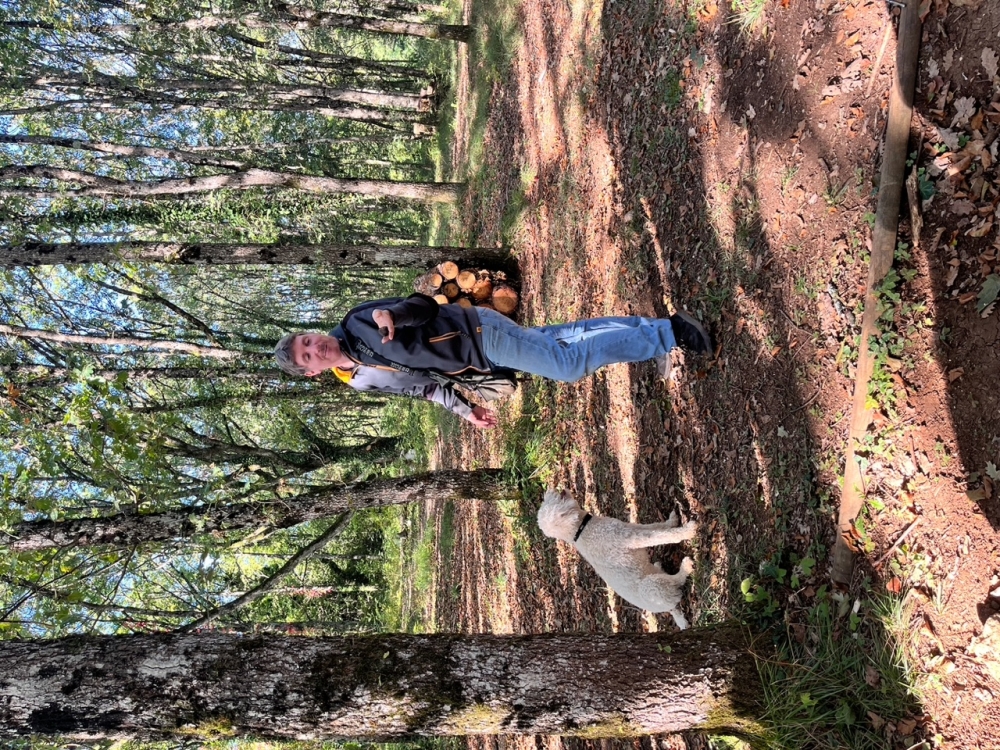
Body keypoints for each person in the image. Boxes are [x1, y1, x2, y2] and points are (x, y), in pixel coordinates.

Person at [274, 293, 712, 429]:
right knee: (560, 340)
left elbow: (423, 305)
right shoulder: (357, 379)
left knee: (566, 366)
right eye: (307, 356)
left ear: (312, 333)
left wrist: (394, 316)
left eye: (308, 341)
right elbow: (423, 386)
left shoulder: (357, 322)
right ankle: (652, 329)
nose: (316, 348)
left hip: (477, 333)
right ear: (312, 371)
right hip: (477, 359)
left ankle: (671, 333)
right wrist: (465, 410)